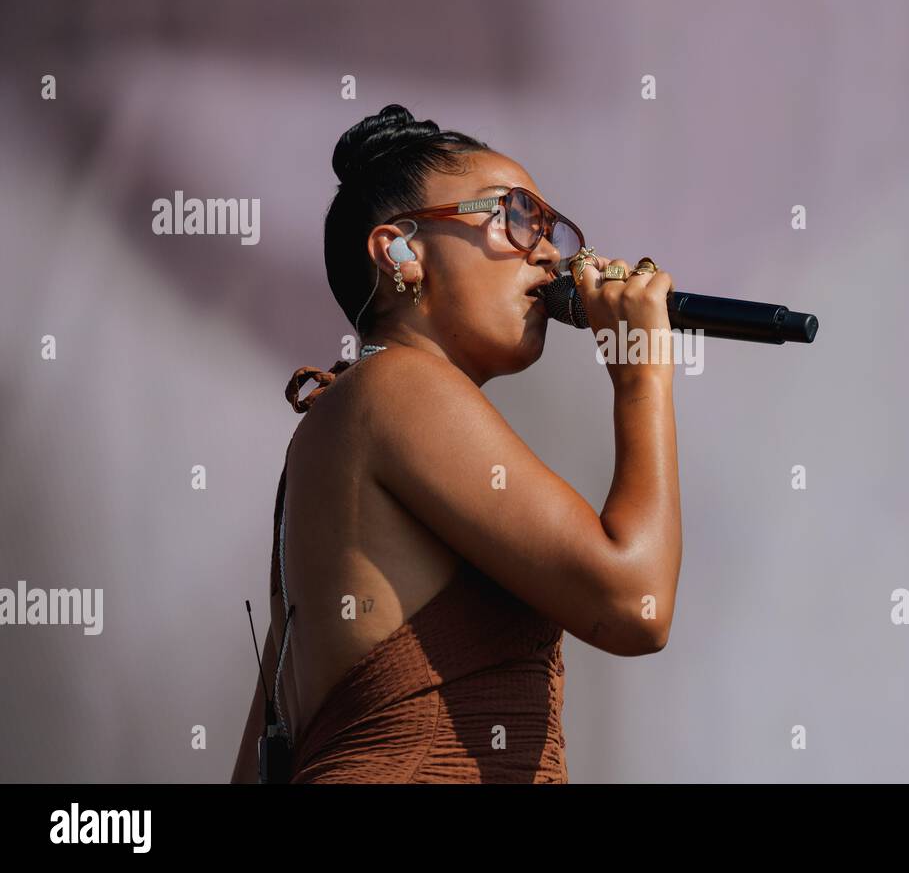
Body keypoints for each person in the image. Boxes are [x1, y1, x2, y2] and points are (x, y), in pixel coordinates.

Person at [230, 104, 681, 782]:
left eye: (552, 227)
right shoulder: (400, 387)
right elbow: (635, 604)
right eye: (518, 215)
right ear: (399, 251)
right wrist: (642, 374)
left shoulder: (339, 423)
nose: (552, 251)